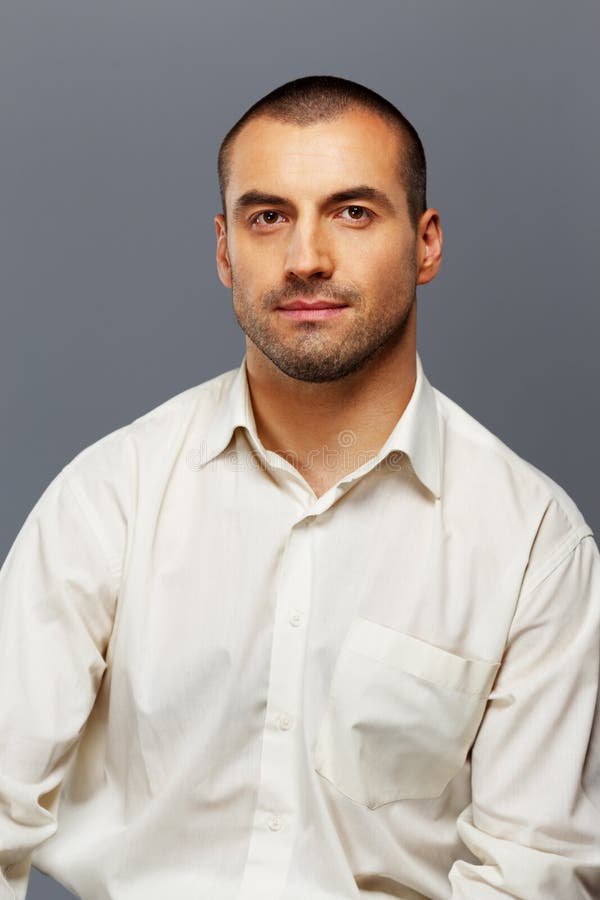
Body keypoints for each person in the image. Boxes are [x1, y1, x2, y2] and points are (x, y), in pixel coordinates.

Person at [0, 75, 598, 900]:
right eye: (267, 216)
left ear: (426, 244)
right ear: (223, 250)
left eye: (353, 212)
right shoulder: (109, 499)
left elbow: (534, 875)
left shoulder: (535, 545)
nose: (306, 258)